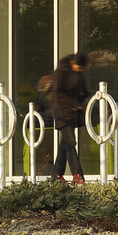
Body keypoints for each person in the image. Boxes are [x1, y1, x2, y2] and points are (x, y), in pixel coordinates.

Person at [44, 51, 88, 186]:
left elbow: (83, 91)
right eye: (79, 68)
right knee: (70, 142)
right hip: (62, 113)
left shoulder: (76, 73)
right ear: (72, 63)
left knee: (65, 144)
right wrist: (75, 104)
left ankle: (56, 175)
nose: (80, 71)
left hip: (72, 113)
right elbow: (58, 94)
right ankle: (77, 175)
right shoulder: (61, 72)